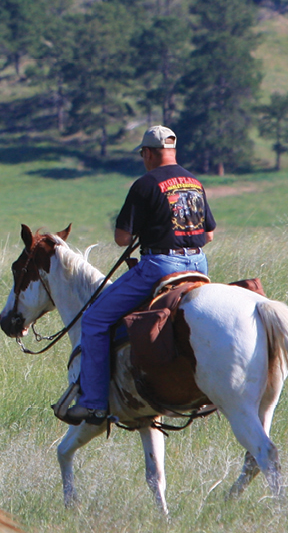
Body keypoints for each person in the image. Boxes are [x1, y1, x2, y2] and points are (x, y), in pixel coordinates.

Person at [59, 125, 216, 426]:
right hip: (198, 265)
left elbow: (121, 238)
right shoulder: (195, 182)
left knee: (94, 320)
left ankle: (92, 403)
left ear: (148, 153)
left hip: (161, 266)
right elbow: (208, 234)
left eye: (143, 154)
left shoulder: (145, 184)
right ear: (173, 151)